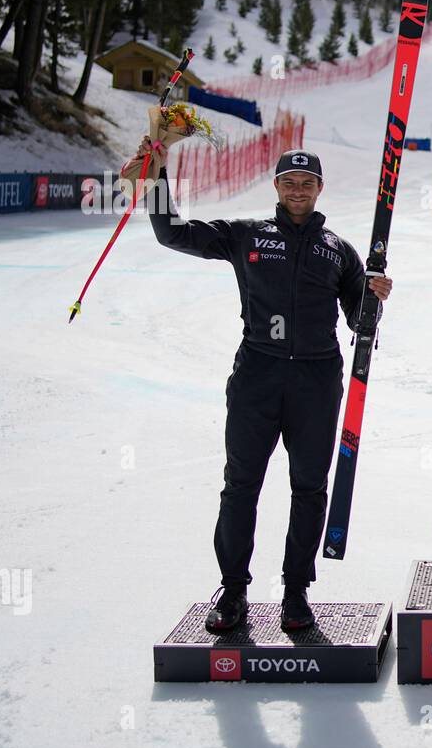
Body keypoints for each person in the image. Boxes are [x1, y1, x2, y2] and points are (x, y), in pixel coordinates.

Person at [145, 143, 391, 633]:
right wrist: (157, 174)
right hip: (257, 374)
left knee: (309, 488)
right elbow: (171, 233)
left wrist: (373, 297)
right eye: (289, 182)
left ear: (319, 190)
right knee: (240, 486)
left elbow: (360, 324)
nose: (298, 190)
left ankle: (296, 591)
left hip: (316, 381)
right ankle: (233, 590)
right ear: (276, 186)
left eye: (307, 183)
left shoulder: (338, 250)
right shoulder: (245, 236)